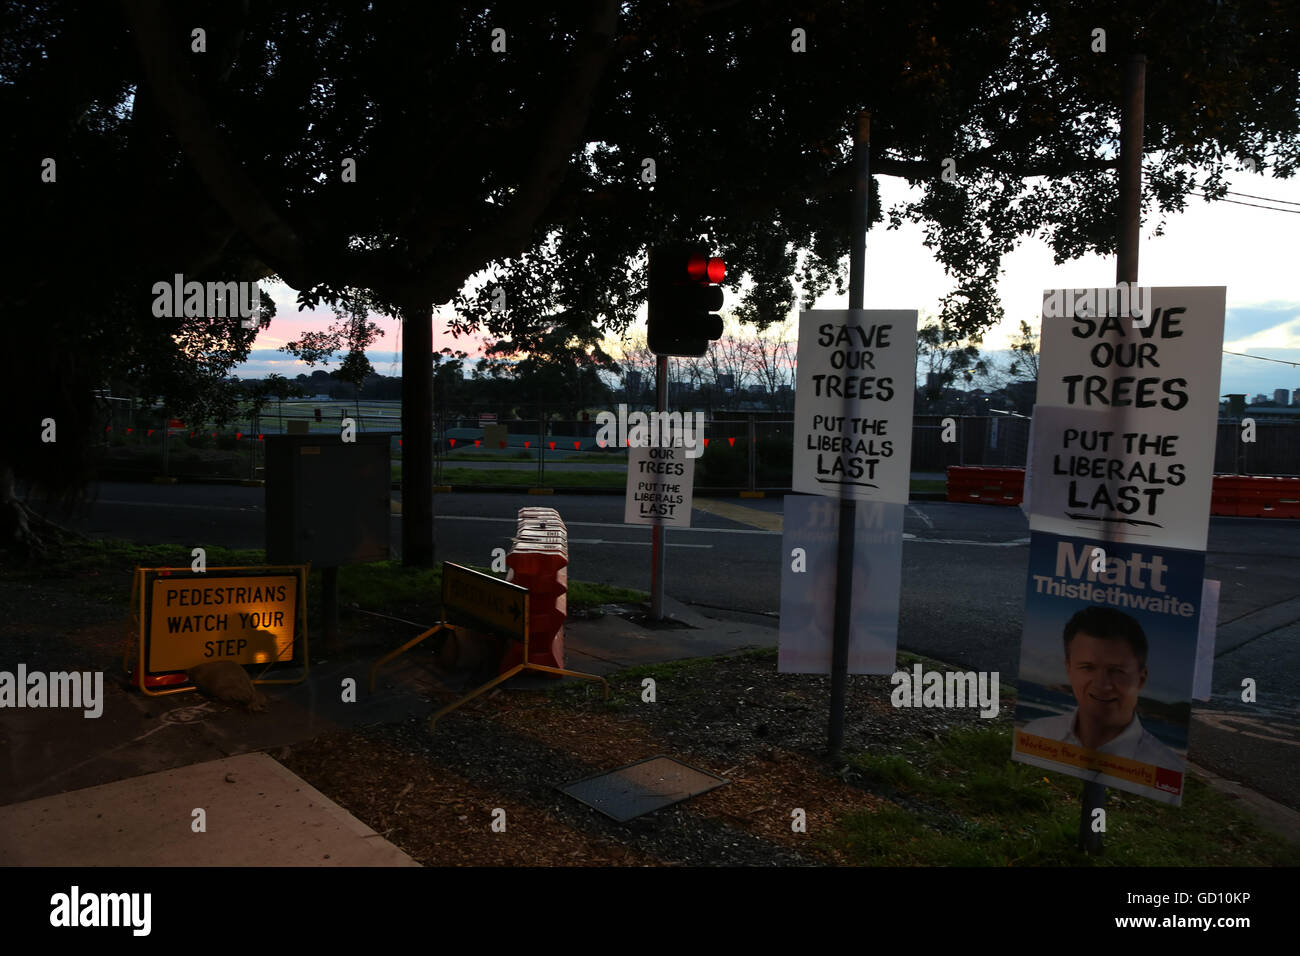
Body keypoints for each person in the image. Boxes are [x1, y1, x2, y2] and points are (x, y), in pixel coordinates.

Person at [1021, 605, 1182, 770]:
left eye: (1117, 671)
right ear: (1068, 669)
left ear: (1141, 679)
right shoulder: (1036, 733)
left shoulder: (1166, 769)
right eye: (1087, 667)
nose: (1102, 684)